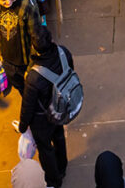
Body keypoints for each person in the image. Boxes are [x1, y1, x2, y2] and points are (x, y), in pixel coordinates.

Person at [14, 27, 73, 188]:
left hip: (41, 117)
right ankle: (63, 166)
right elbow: (70, 73)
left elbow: (28, 104)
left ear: (34, 47)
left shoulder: (34, 76)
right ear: (51, 40)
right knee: (59, 136)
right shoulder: (64, 53)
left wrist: (23, 125)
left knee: (46, 148)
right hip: (59, 108)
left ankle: (54, 180)